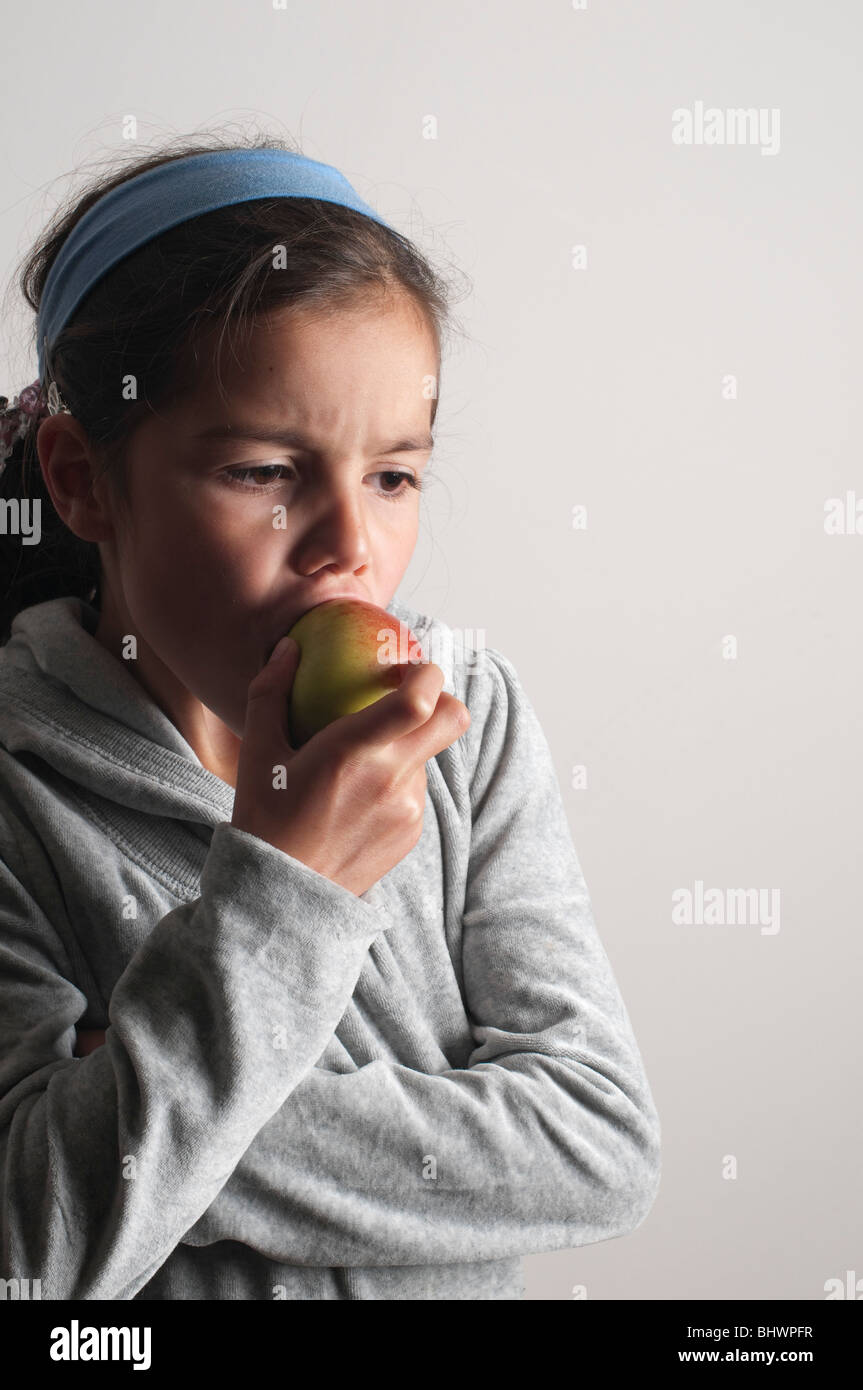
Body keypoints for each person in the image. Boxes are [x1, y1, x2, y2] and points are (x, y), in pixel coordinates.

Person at [0, 134, 661, 1301]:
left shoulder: (465, 718)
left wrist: (146, 1109)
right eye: (265, 472)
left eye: (394, 477)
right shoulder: (19, 788)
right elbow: (26, 1254)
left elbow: (598, 1144)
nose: (351, 546)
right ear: (82, 479)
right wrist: (279, 893)